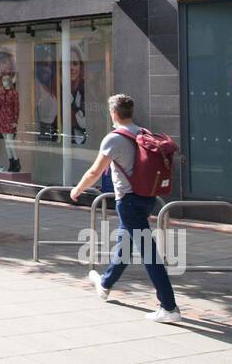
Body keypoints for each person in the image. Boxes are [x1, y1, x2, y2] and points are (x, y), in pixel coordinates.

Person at [69, 93, 181, 323]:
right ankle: (106, 284)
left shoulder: (114, 138)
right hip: (147, 197)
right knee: (124, 246)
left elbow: (95, 171)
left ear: (113, 113)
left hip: (129, 201)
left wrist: (77, 190)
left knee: (149, 253)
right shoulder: (142, 132)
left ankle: (169, 307)